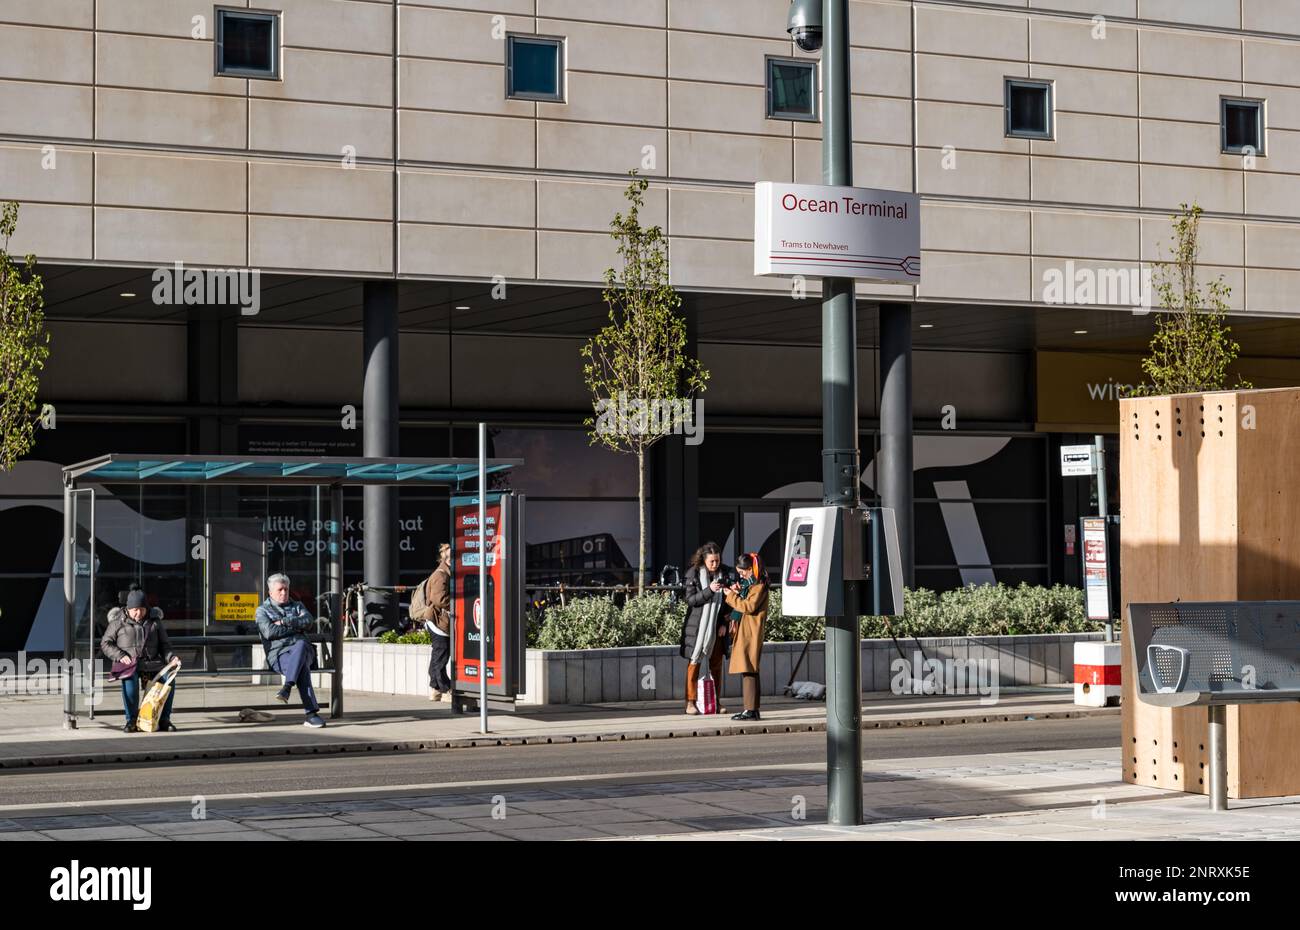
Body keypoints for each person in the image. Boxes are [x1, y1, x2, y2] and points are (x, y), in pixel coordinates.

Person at [100, 588, 181, 733]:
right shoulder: (118, 622)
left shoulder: (155, 621)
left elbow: (165, 645)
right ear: (128, 608)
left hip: (153, 663)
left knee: (168, 679)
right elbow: (106, 643)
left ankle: (164, 719)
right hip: (129, 664)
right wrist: (120, 656)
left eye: (142, 609)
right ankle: (131, 720)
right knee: (129, 680)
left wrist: (172, 658)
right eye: (135, 610)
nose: (139, 613)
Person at [255, 573, 327, 728]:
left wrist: (284, 622)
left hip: (305, 651)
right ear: (270, 592)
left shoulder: (297, 606)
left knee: (301, 645)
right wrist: (296, 628)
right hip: (279, 654)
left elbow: (308, 622)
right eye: (280, 589)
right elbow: (269, 632)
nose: (284, 593)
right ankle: (311, 714)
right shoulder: (262, 611)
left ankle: (287, 687)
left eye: (286, 589)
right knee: (301, 668)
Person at [679, 542, 730, 715]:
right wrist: (709, 590)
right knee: (694, 662)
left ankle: (715, 701)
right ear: (704, 560)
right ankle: (690, 702)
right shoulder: (693, 573)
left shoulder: (724, 573)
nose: (715, 565)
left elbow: (729, 602)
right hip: (698, 628)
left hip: (716, 627)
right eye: (711, 562)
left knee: (716, 665)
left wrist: (724, 622)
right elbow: (691, 600)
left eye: (717, 561)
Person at [724, 552, 770, 721]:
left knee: (749, 668)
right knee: (748, 669)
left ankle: (750, 710)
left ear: (750, 569)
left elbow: (749, 606)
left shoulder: (759, 585)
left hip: (751, 631)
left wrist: (730, 595)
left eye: (743, 572)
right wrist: (736, 591)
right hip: (747, 629)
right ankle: (751, 709)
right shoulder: (751, 584)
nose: (741, 576)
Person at [424, 543, 453, 701]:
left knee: (439, 654)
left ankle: (434, 689)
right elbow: (439, 599)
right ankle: (445, 688)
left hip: (438, 621)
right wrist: (458, 604)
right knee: (441, 654)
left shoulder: (445, 573)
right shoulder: (441, 575)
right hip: (437, 621)